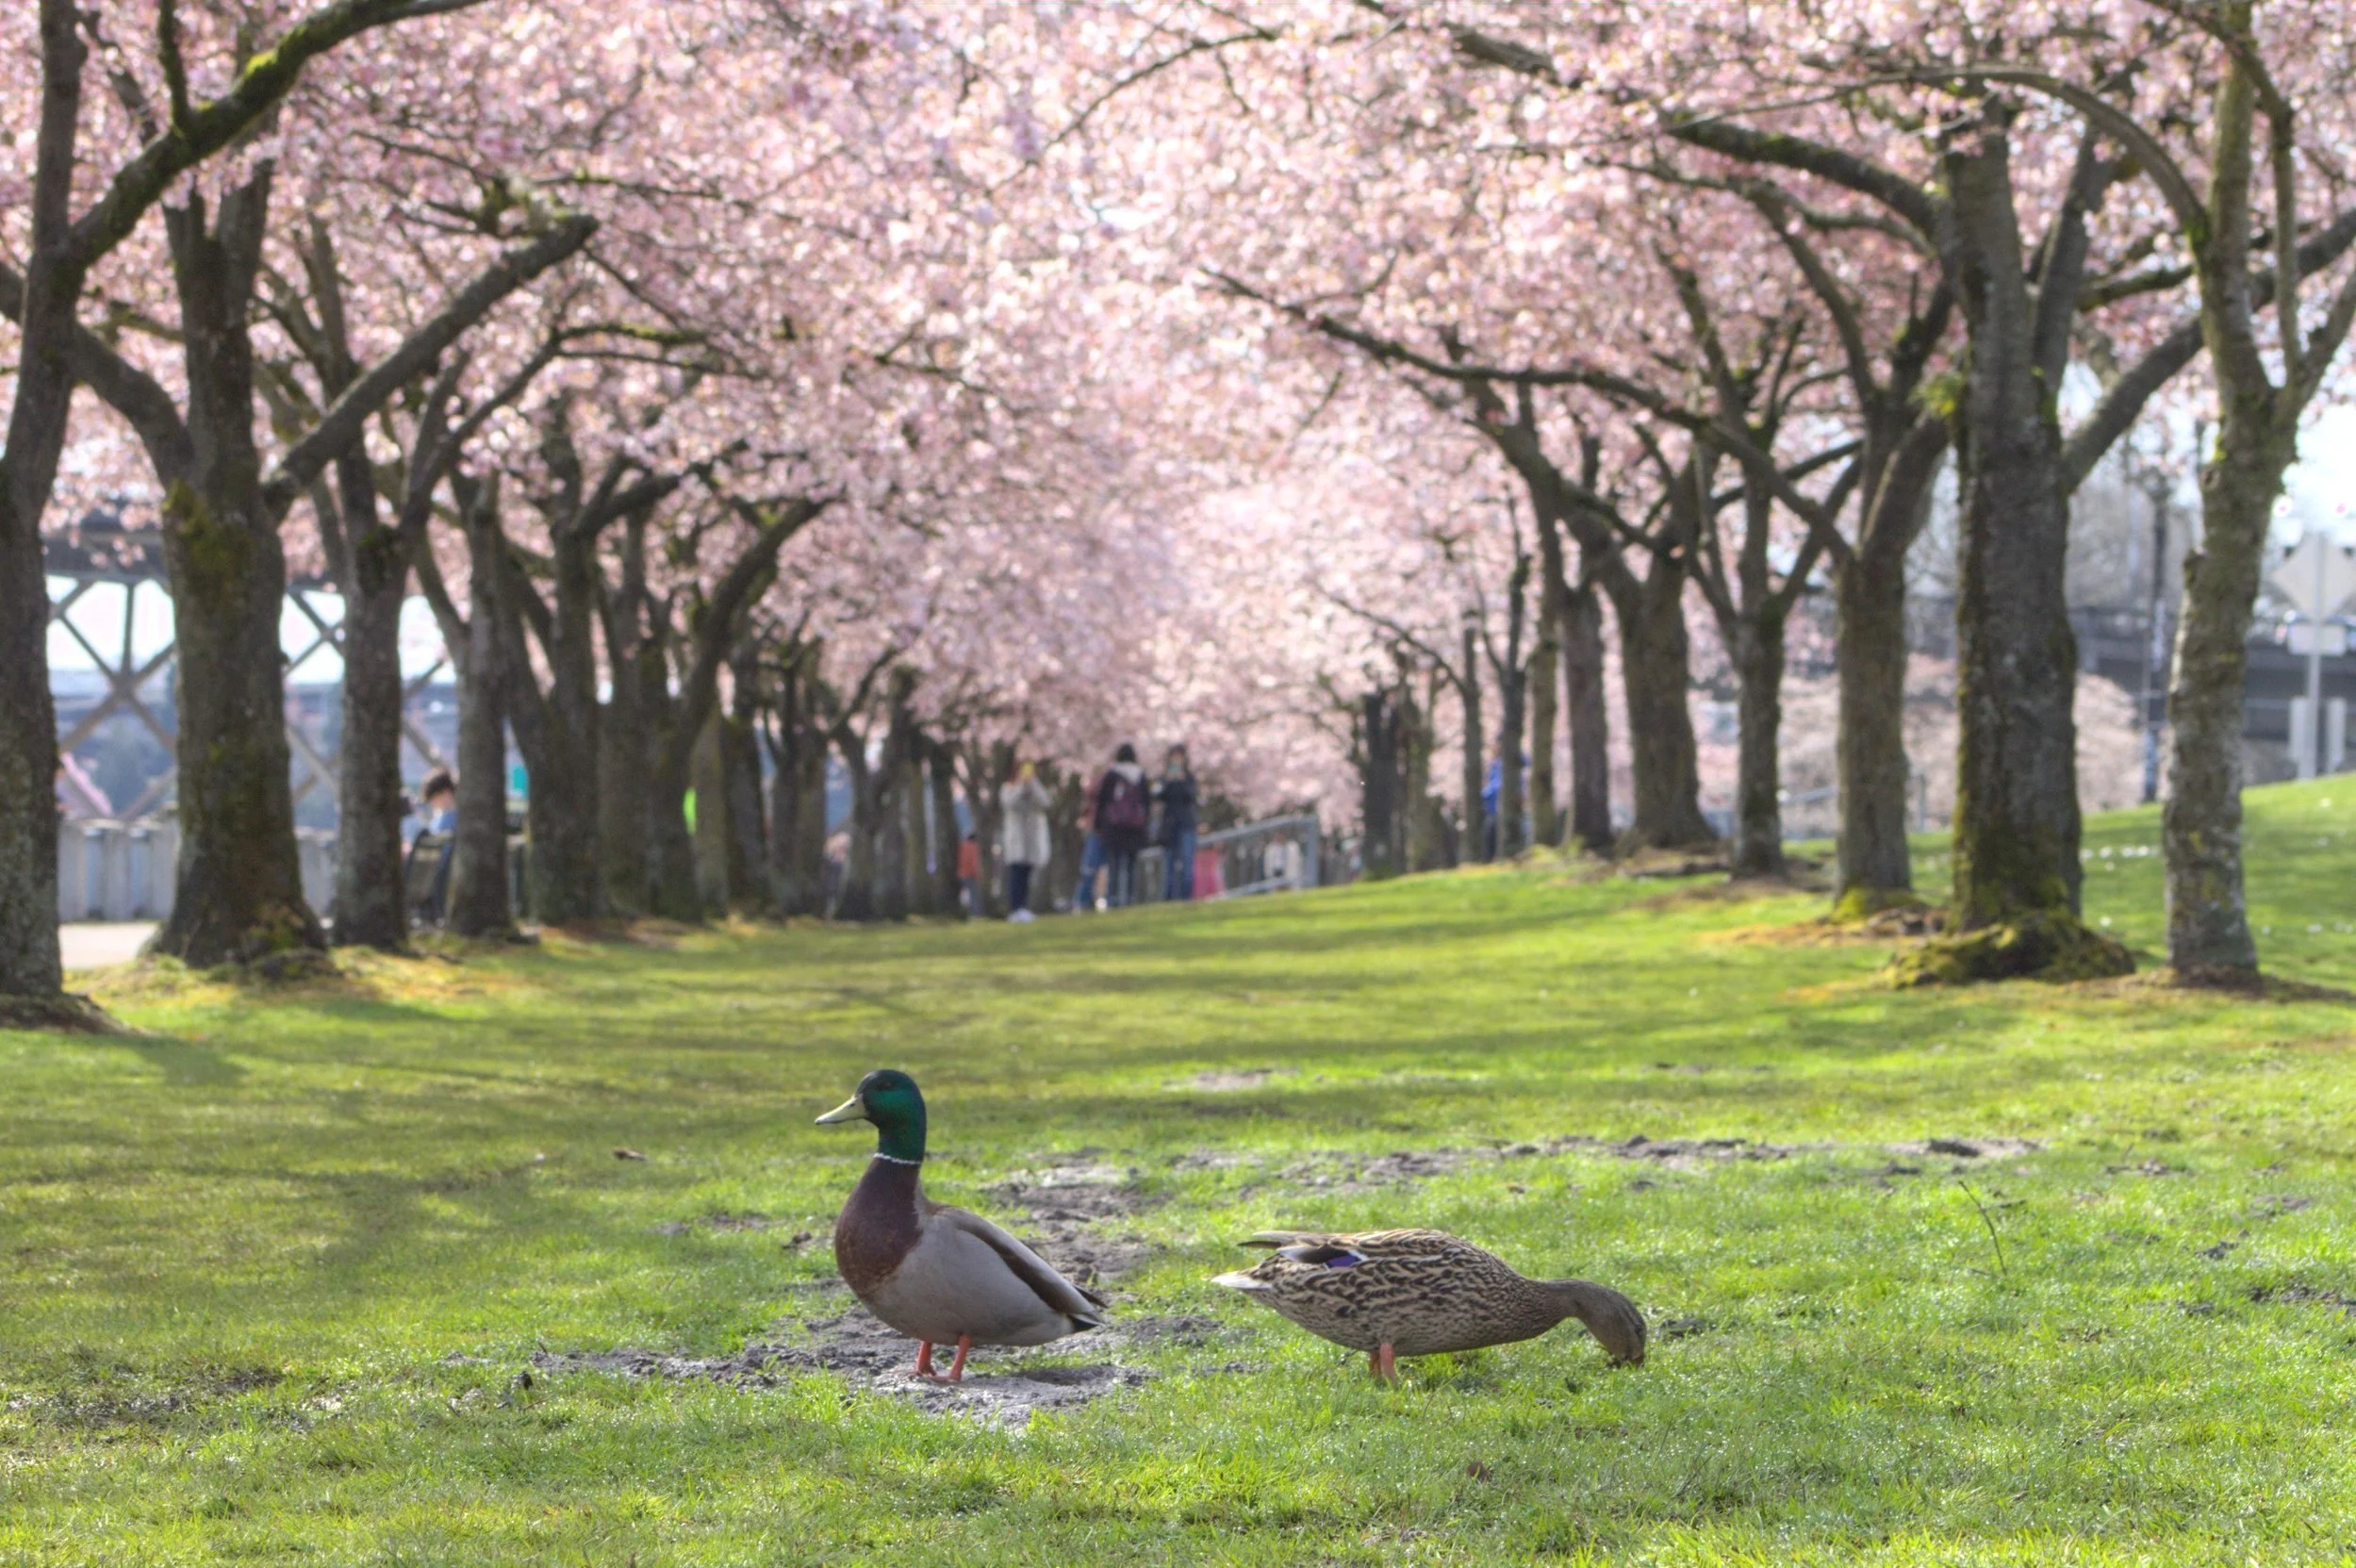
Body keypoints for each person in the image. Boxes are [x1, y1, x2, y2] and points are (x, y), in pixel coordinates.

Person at [1093, 742, 1152, 909]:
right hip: (1134, 829)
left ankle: (1113, 898)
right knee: (1130, 867)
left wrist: (1099, 825)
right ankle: (1129, 898)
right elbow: (1146, 803)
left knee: (1114, 866)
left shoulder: (1112, 775)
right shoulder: (1140, 775)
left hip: (1113, 828)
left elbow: (1102, 801)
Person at [1000, 760, 1052, 923]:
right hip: (1016, 840)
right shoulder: (1008, 788)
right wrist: (1021, 785)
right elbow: (1010, 803)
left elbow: (1046, 801)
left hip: (1031, 840)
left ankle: (1023, 907)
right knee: (1016, 874)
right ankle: (1015, 908)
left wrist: (1033, 784)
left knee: (1027, 874)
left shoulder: (1034, 788)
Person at [1157, 744, 1199, 902]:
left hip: (1186, 824)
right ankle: (1168, 898)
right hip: (1169, 826)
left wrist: (1181, 781)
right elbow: (1158, 795)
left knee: (1187, 863)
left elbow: (1192, 796)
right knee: (1169, 865)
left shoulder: (1189, 778)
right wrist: (1168, 782)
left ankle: (1186, 897)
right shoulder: (1164, 778)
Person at [956, 832, 980, 915]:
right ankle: (975, 913)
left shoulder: (963, 846)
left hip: (961, 873)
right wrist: (975, 872)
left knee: (964, 894)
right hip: (969, 874)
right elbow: (973, 861)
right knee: (973, 894)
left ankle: (962, 911)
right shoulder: (972, 847)